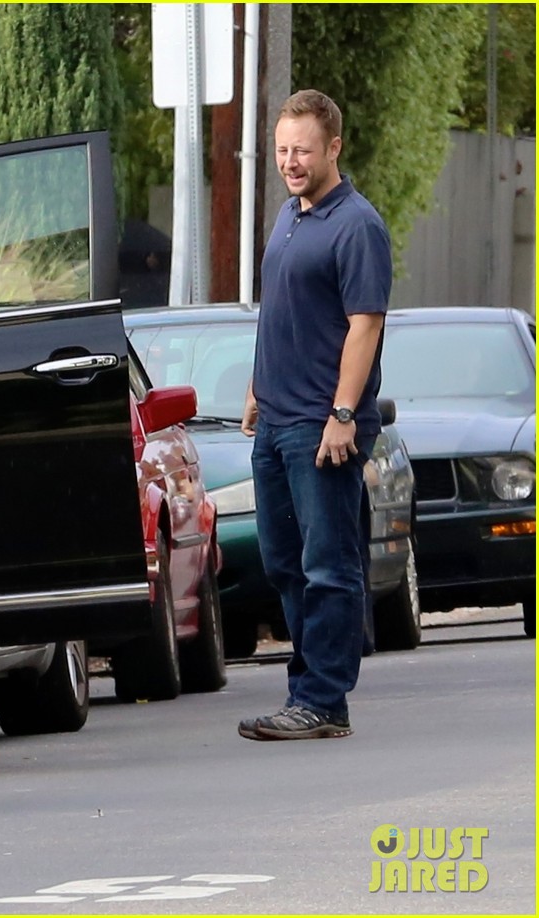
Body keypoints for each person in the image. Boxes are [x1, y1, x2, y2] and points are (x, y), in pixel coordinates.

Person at [237, 89, 391, 741]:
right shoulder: (289, 216)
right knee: (283, 562)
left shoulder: (357, 224)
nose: (290, 162)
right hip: (275, 419)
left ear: (334, 146)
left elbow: (366, 325)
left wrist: (343, 413)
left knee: (329, 562)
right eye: (281, 150)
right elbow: (281, 310)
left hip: (321, 425)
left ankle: (324, 699)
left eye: (302, 150)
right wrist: (254, 387)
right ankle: (312, 688)